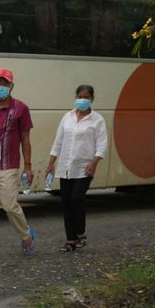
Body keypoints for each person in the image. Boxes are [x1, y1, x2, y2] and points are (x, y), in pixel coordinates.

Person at [0, 69, 36, 257]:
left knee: (10, 205)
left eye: (5, 84)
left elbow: (26, 139)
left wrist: (28, 166)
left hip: (9, 166)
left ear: (12, 86)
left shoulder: (21, 109)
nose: (1, 87)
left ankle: (27, 235)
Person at [47, 84, 108, 251]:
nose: (82, 100)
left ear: (92, 99)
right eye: (80, 97)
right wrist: (51, 163)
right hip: (66, 167)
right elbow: (58, 141)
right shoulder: (67, 117)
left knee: (76, 198)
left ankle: (80, 232)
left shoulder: (97, 120)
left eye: (86, 97)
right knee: (66, 202)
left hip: (84, 167)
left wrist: (94, 163)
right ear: (76, 97)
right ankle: (70, 240)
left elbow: (102, 145)